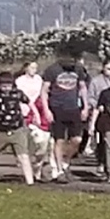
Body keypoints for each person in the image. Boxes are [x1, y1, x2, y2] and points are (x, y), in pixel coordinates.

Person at [0, 63, 37, 184]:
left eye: (8, 85)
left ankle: (30, 181)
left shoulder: (17, 93)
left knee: (23, 156)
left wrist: (36, 114)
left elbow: (29, 103)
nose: (6, 88)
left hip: (17, 128)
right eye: (3, 86)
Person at [42, 49, 90, 182]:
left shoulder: (78, 69)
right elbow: (44, 91)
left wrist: (85, 107)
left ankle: (65, 161)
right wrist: (47, 110)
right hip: (57, 107)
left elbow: (82, 88)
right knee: (59, 140)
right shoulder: (52, 70)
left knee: (77, 140)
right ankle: (60, 170)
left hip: (74, 108)